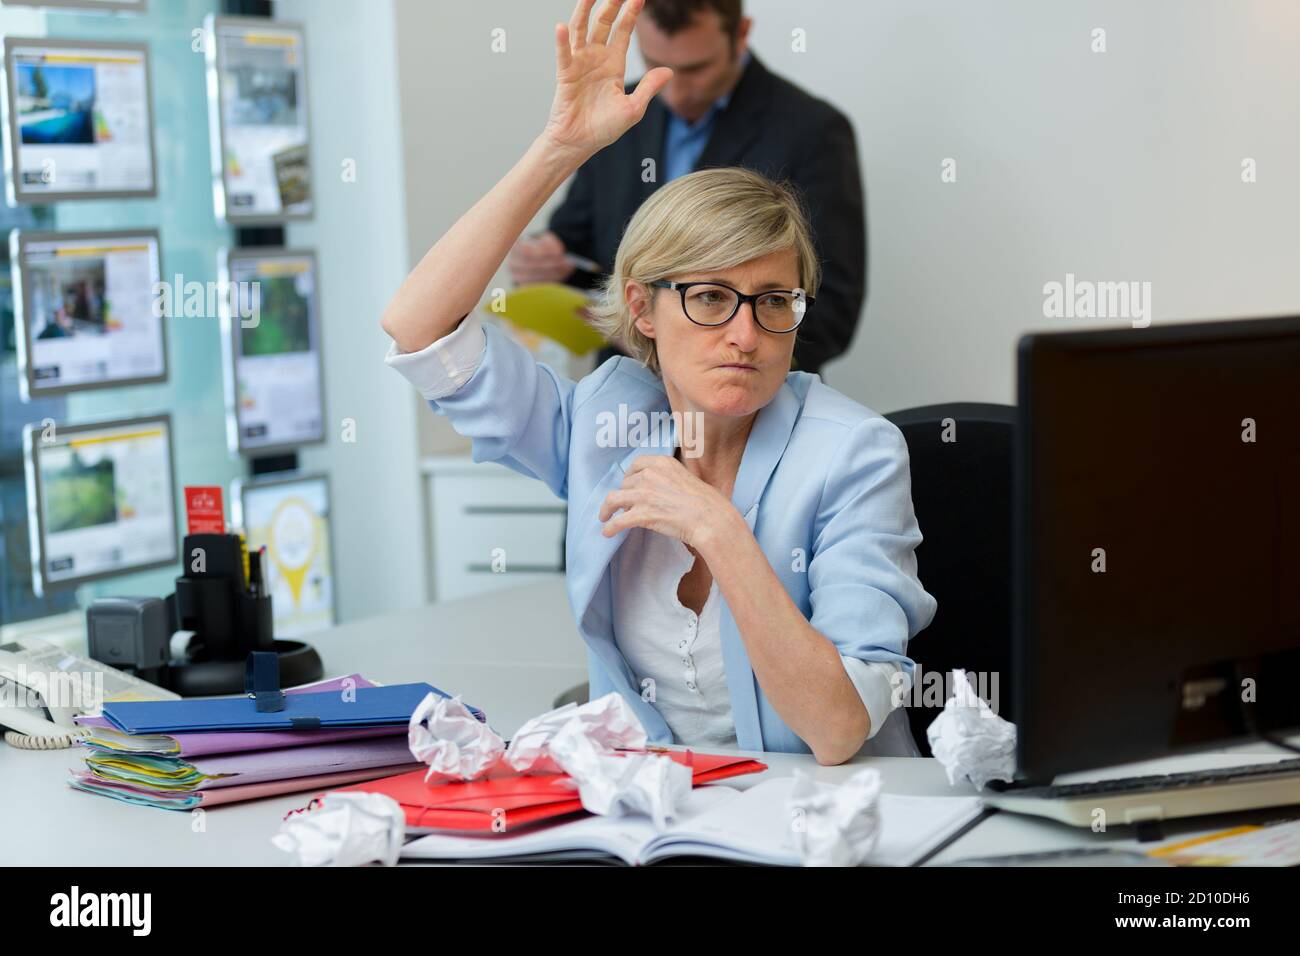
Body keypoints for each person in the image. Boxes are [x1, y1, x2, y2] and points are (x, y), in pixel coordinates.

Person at [381, 0, 934, 763]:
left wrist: (718, 530)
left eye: (774, 301)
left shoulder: (856, 454)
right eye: (710, 298)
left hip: (825, 829)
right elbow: (418, 328)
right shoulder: (606, 420)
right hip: (653, 820)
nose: (746, 334)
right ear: (642, 306)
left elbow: (837, 730)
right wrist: (557, 149)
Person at [509, 0, 866, 376]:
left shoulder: (813, 131)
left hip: (753, 399)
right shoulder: (619, 114)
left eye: (696, 69)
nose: (674, 92)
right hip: (625, 392)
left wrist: (705, 354)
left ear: (741, 35)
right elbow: (582, 251)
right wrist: (546, 260)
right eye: (655, 65)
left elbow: (832, 308)